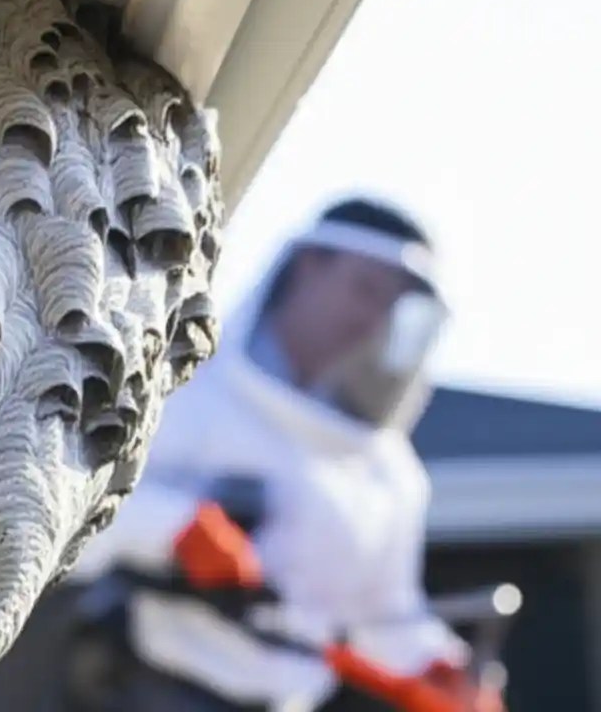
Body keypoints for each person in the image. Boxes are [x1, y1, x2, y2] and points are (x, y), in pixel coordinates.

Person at [69, 198, 504, 712]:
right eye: (364, 290)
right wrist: (178, 528)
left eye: (393, 307)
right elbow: (73, 517)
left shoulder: (390, 477)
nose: (372, 320)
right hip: (139, 687)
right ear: (307, 267)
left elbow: (380, 616)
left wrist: (438, 668)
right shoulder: (186, 390)